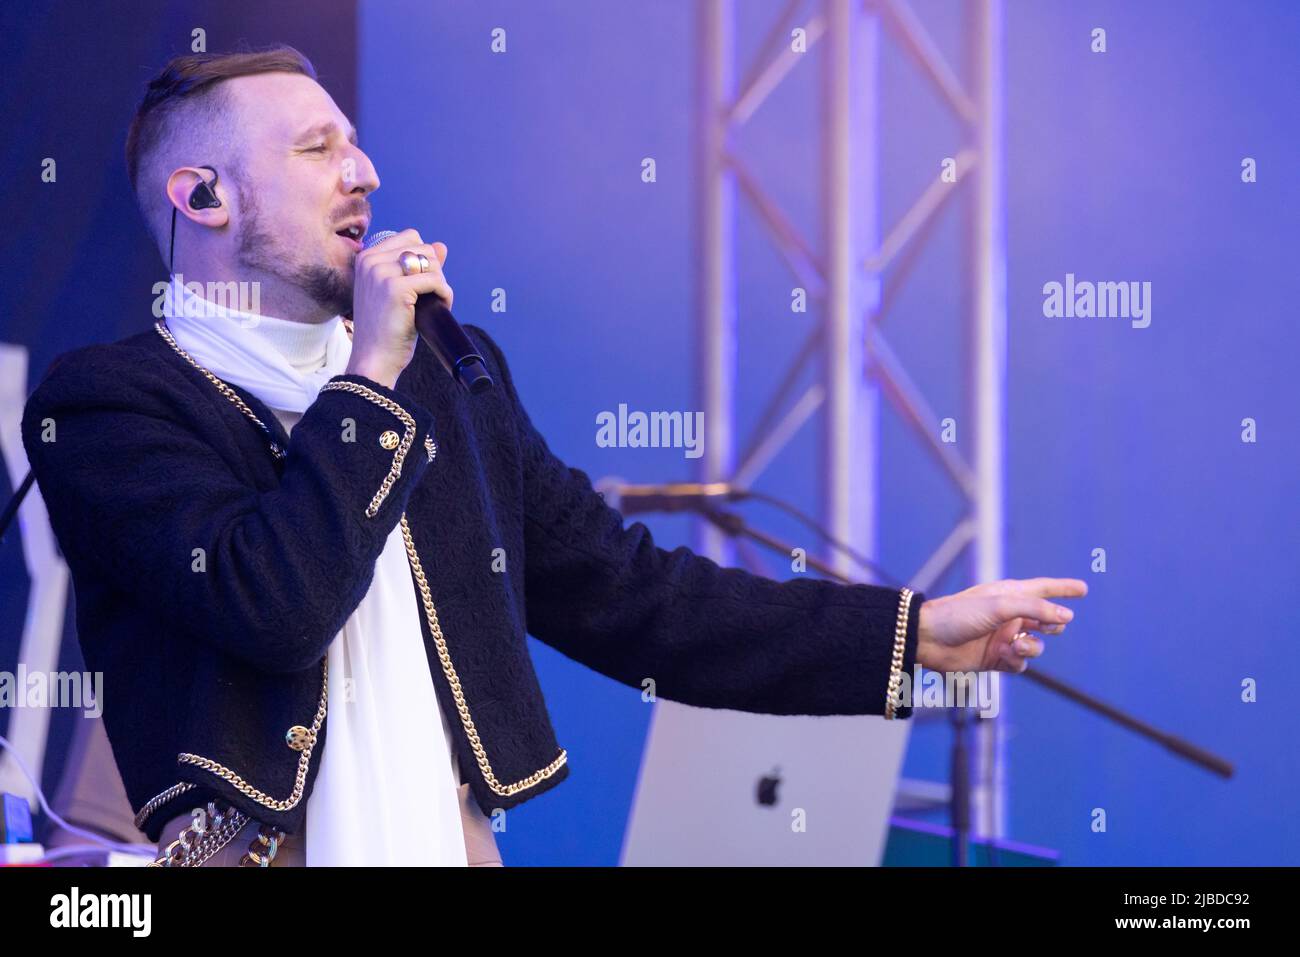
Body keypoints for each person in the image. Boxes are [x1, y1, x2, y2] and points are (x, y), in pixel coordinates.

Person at [19, 45, 1086, 867]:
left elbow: (636, 597)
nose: (365, 174)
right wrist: (371, 383)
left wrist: (909, 636)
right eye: (316, 151)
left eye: (354, 145)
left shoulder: (440, 375)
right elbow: (275, 600)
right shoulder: (111, 407)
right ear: (203, 197)